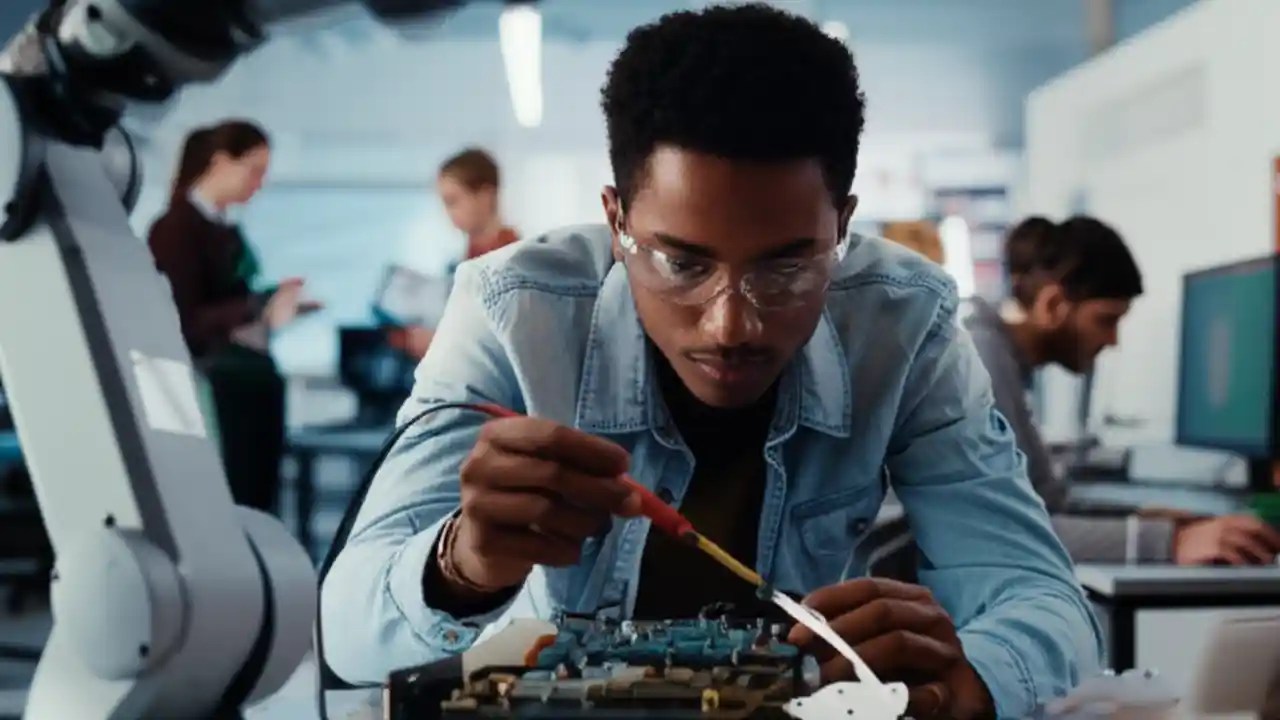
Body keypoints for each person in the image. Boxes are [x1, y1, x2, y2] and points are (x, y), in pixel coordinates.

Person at [322, 7, 1101, 719]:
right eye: (681, 263)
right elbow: (346, 636)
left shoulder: (905, 322)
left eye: (788, 267)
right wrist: (461, 564)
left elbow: (1043, 603)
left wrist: (969, 678)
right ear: (616, 217)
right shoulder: (511, 310)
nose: (732, 326)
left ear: (844, 224)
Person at [964, 216, 1280, 565]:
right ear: (1053, 304)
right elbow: (1002, 534)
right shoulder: (977, 360)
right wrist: (1172, 543)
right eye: (1106, 320)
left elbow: (1045, 503)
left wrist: (1146, 518)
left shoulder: (997, 356)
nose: (1112, 341)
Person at [148, 120, 319, 514]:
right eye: (254, 170)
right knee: (234, 500)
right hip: (214, 385)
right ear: (221, 162)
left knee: (259, 497)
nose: (259, 184)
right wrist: (259, 306)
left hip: (247, 380)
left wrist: (273, 301)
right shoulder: (174, 229)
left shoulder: (226, 230)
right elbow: (183, 319)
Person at [390, 148, 520, 360]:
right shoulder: (462, 264)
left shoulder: (514, 260)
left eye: (453, 201)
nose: (448, 213)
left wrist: (440, 342)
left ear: (485, 196)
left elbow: (507, 344)